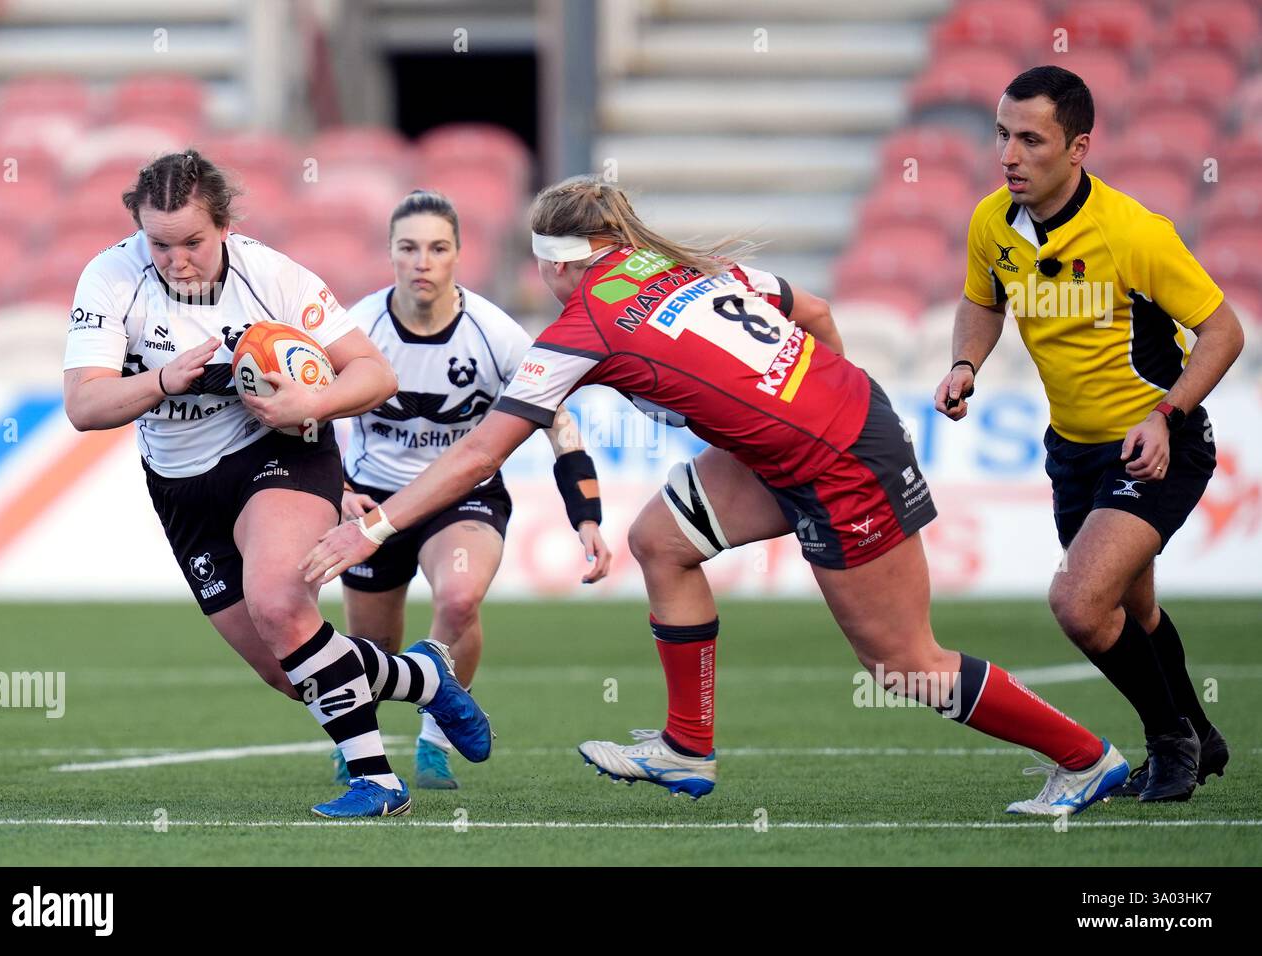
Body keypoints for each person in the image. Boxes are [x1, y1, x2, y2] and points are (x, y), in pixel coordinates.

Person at [303, 174, 1132, 817]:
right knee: (661, 541)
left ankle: (1085, 758)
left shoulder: (585, 320)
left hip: (839, 464)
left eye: (543, 268)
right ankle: (687, 748)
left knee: (903, 665)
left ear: (560, 265)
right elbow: (817, 312)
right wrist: (811, 401)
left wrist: (372, 526)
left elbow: (483, 450)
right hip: (841, 426)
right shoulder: (687, 267)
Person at [62, 149, 491, 819]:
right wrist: (163, 380)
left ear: (225, 226)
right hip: (179, 485)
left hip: (278, 449)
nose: (176, 259)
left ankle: (375, 781)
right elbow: (85, 407)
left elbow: (374, 374)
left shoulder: (271, 275)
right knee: (290, 671)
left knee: (278, 604)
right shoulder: (111, 276)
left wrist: (309, 405)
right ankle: (424, 676)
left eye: (193, 242)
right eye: (160, 243)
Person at [934, 66, 1244, 802]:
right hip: (1071, 452)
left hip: (1157, 444)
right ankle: (1201, 733)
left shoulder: (1132, 232)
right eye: (1002, 134)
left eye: (1030, 139)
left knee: (1078, 604)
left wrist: (1165, 416)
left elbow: (1224, 332)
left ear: (1078, 149)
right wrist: (964, 364)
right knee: (1131, 611)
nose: (1008, 154)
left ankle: (1171, 744)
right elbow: (983, 301)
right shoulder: (991, 223)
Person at [333, 190, 611, 789]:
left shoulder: (496, 334)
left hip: (463, 498)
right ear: (390, 254)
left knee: (458, 599)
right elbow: (308, 415)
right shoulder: (355, 329)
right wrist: (337, 489)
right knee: (371, 646)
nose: (422, 262)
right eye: (408, 248)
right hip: (373, 500)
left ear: (460, 253)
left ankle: (437, 738)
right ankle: (362, 743)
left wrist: (586, 514)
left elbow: (558, 422)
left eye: (437, 248)